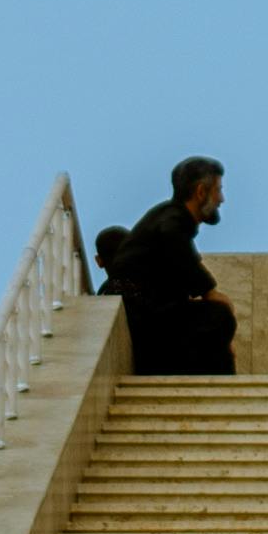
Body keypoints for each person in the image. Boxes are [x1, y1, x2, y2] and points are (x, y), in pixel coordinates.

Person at [97, 156, 237, 374]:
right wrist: (209, 291)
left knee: (217, 333)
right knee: (219, 316)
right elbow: (178, 247)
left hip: (150, 316)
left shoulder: (169, 219)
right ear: (201, 192)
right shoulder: (172, 222)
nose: (221, 199)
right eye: (218, 190)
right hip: (142, 320)